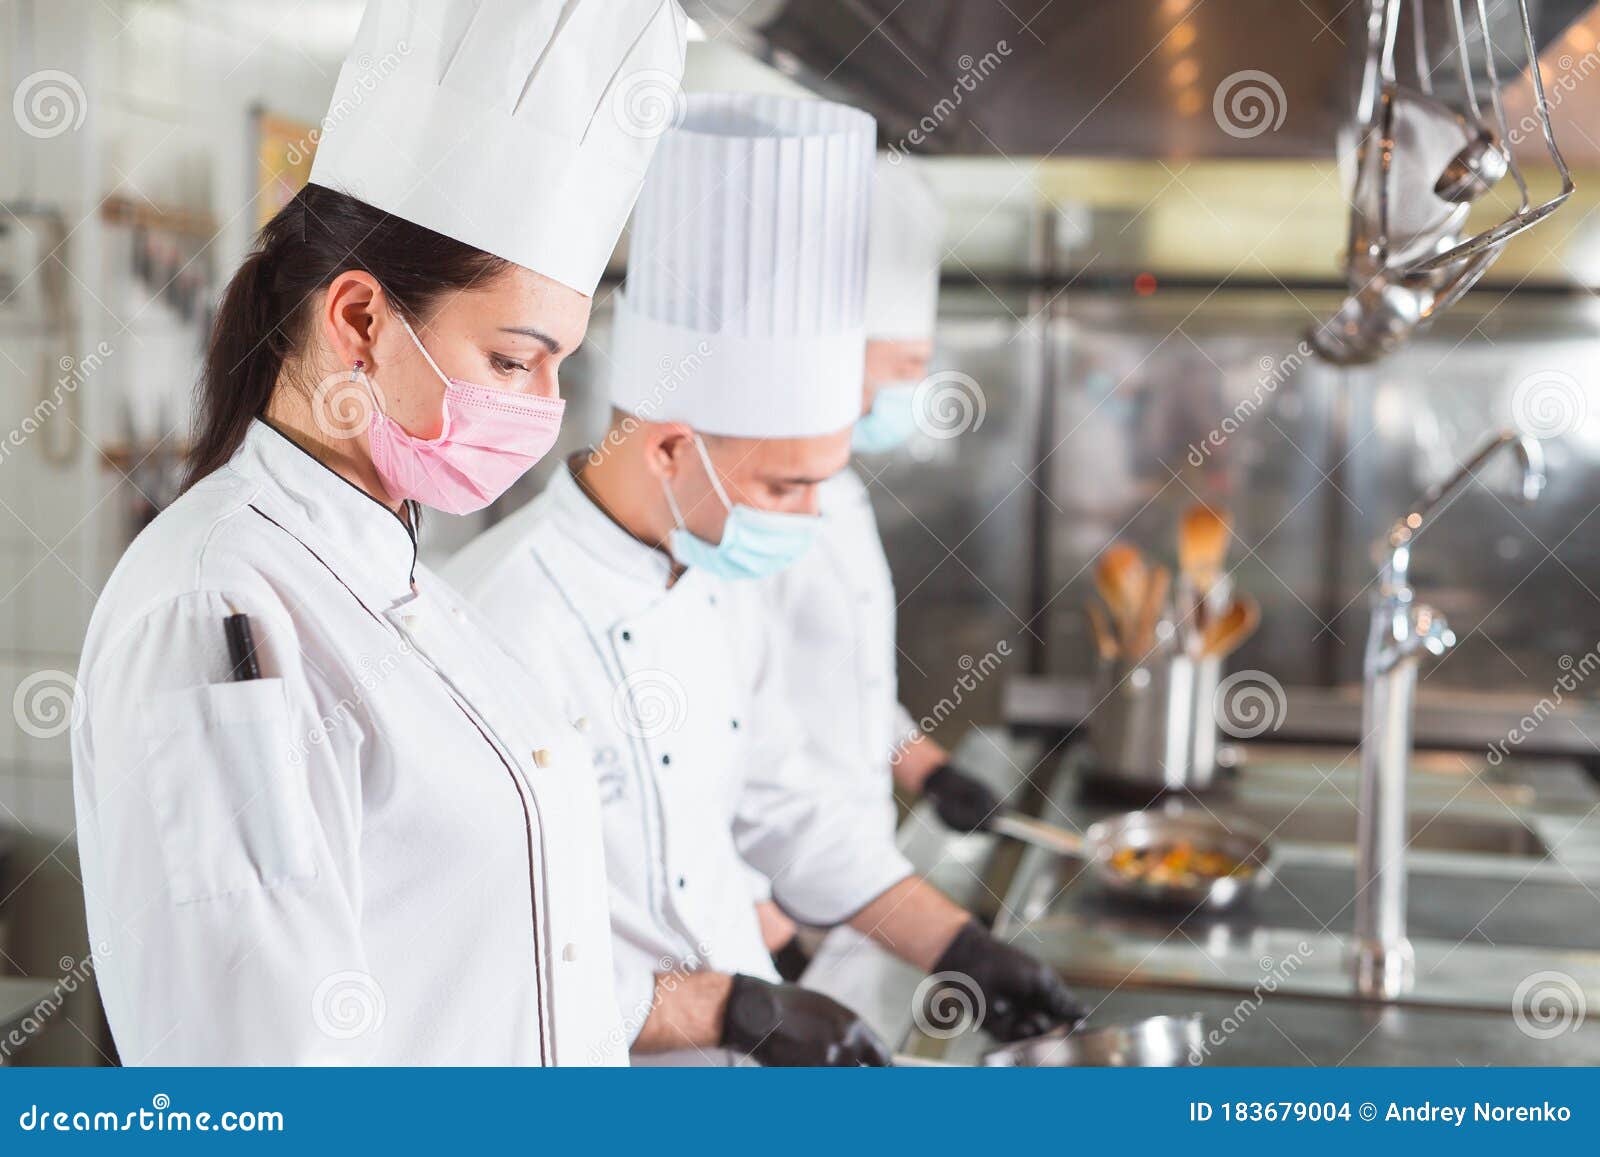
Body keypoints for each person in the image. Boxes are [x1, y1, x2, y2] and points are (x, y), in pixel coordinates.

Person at [69, 0, 687, 1065]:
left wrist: (711, 1003)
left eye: (558, 365)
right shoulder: (218, 611)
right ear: (357, 317)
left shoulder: (405, 586)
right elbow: (260, 1067)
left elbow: (481, 955)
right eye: (510, 360)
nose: (543, 408)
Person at [446, 93, 1082, 1066]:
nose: (805, 516)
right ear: (668, 448)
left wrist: (963, 948)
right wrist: (724, 1008)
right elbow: (467, 960)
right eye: (785, 484)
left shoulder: (706, 588)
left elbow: (789, 808)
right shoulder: (487, 623)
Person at [757, 158, 1004, 974]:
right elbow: (721, 747)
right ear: (837, 353)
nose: (914, 388)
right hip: (772, 902)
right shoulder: (752, 513)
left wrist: (927, 769)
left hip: (855, 873)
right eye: (903, 368)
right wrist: (770, 932)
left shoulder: (844, 493)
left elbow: (847, 682)